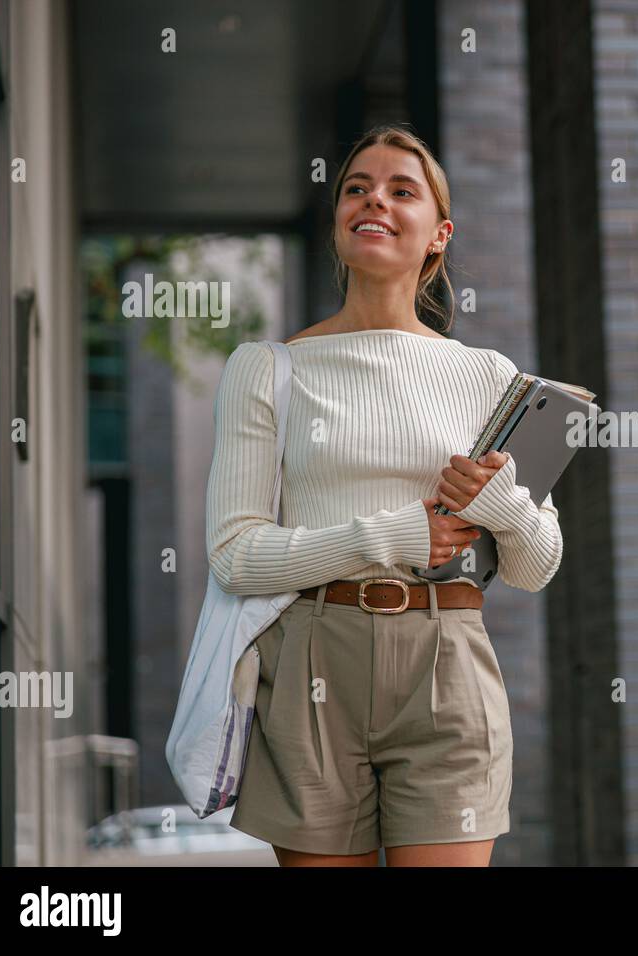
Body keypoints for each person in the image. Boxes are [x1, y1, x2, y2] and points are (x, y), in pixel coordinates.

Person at [207, 123, 563, 866]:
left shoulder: (490, 376)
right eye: (356, 189)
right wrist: (396, 535)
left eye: (402, 190)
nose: (375, 200)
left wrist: (497, 505)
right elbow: (234, 557)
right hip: (311, 663)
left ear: (439, 234)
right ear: (338, 221)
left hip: (449, 659)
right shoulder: (267, 368)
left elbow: (537, 566)